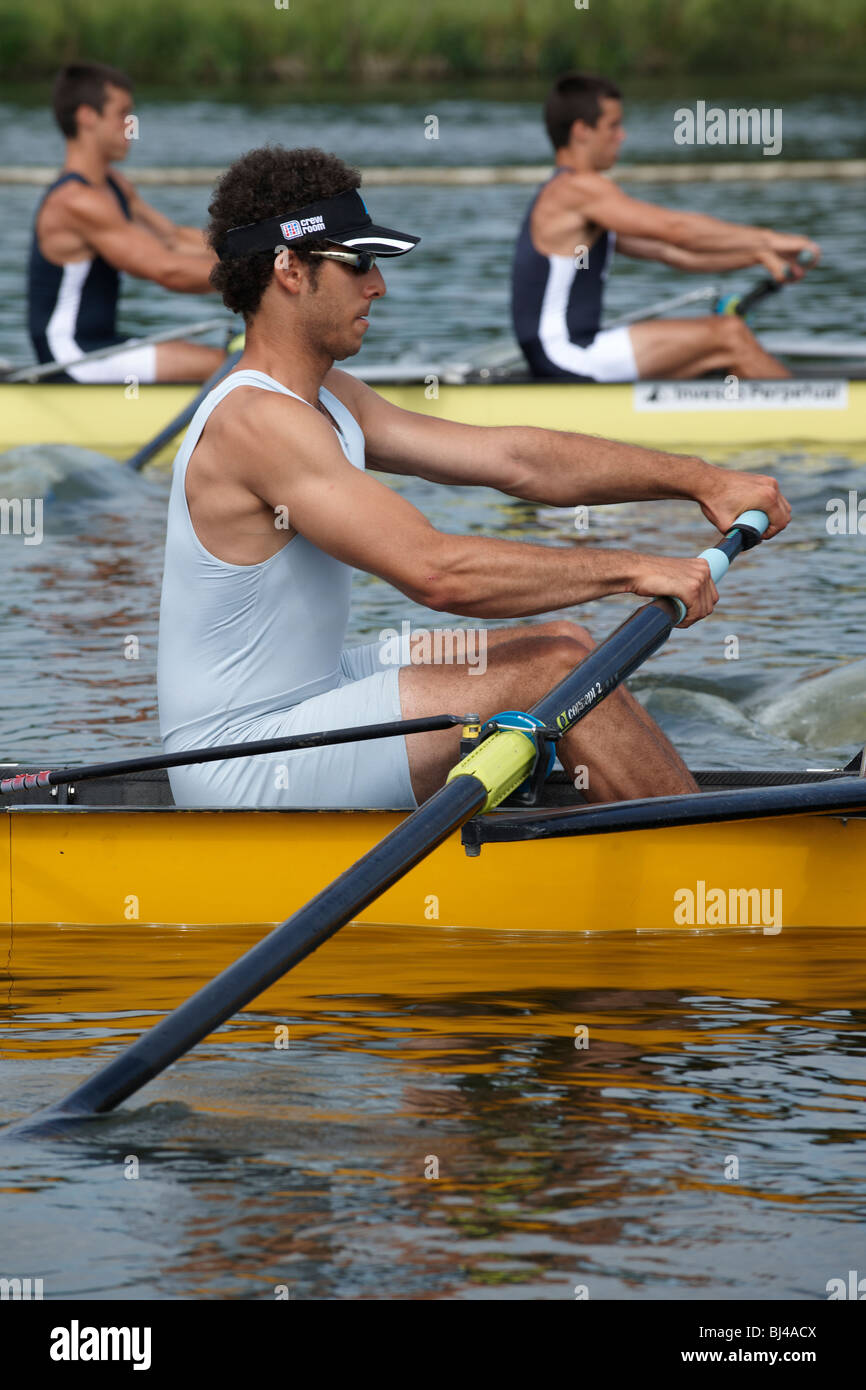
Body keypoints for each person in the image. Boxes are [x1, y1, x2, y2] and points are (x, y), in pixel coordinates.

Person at [157, 145, 790, 812]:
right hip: (241, 755)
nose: (379, 286)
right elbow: (437, 573)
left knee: (563, 643)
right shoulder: (255, 421)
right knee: (556, 672)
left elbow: (517, 459)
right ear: (289, 267)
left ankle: (620, 826)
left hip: (310, 694)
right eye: (360, 263)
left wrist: (702, 480)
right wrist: (637, 569)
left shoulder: (330, 396)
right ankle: (702, 861)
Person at [511, 71, 821, 383]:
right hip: (566, 354)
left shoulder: (574, 198)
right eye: (613, 125)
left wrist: (759, 253)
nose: (622, 136)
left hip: (570, 350)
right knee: (728, 334)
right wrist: (771, 238)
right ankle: (820, 414)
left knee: (717, 356)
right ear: (581, 131)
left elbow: (673, 253)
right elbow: (674, 229)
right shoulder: (576, 189)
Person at [28, 62, 225, 383]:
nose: (132, 124)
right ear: (86, 117)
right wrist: (255, 273)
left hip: (104, 344)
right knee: (234, 364)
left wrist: (250, 247)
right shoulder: (74, 202)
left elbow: (173, 239)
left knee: (235, 358)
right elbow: (167, 270)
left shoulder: (115, 186)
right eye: (123, 113)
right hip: (73, 356)